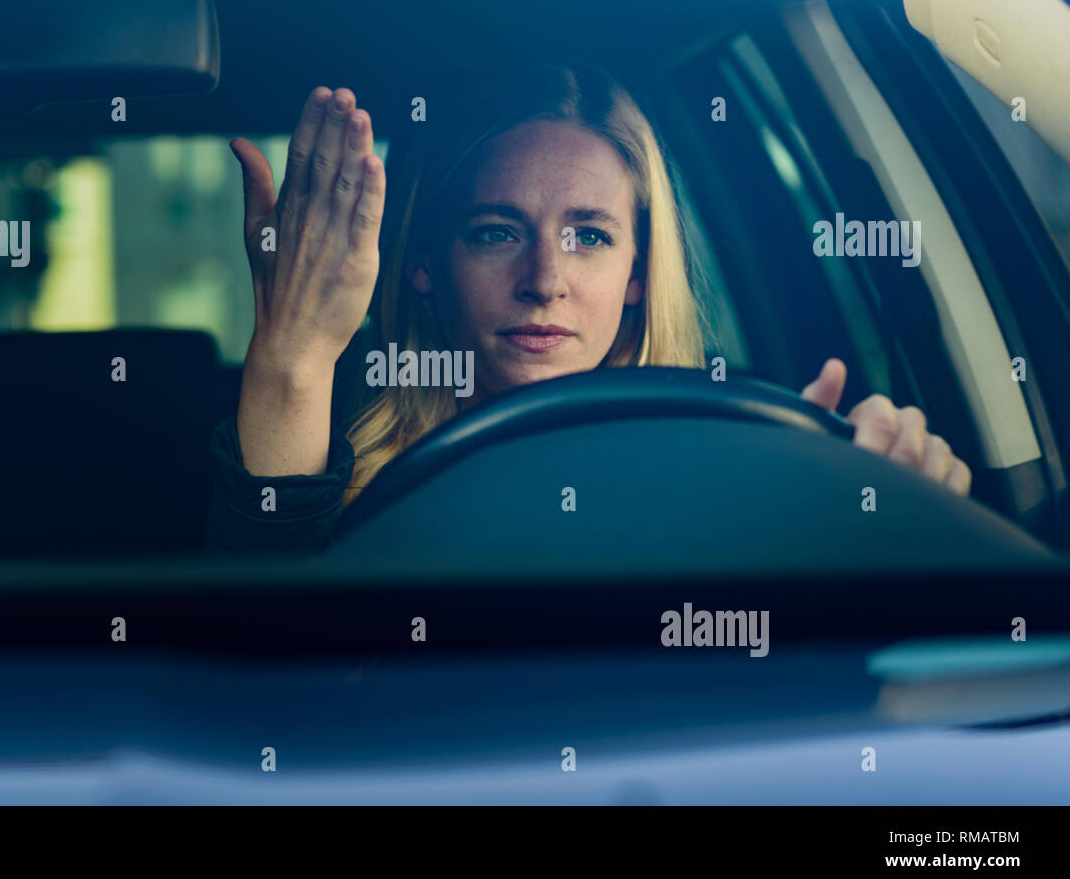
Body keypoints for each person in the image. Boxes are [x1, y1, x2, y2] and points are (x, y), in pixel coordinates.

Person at [205, 64, 971, 552]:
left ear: (639, 272)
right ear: (424, 268)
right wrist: (293, 354)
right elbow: (254, 678)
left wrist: (869, 508)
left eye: (589, 236)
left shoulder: (730, 465)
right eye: (496, 231)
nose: (545, 278)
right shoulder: (344, 485)